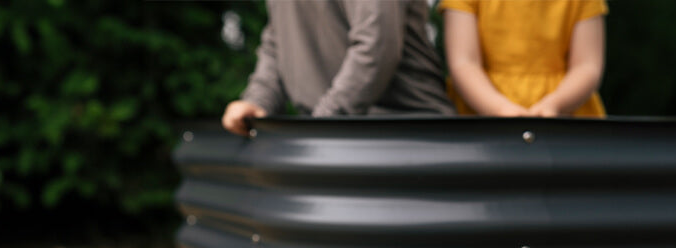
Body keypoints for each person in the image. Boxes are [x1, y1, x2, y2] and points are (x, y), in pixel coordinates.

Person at [221, 0, 455, 136]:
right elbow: (279, 39)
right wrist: (257, 101)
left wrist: (321, 125)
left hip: (405, 132)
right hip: (334, 135)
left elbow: (376, 47)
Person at [439, 0, 607, 117]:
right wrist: (499, 108)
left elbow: (587, 66)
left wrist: (555, 104)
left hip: (565, 113)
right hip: (479, 110)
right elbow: (464, 64)